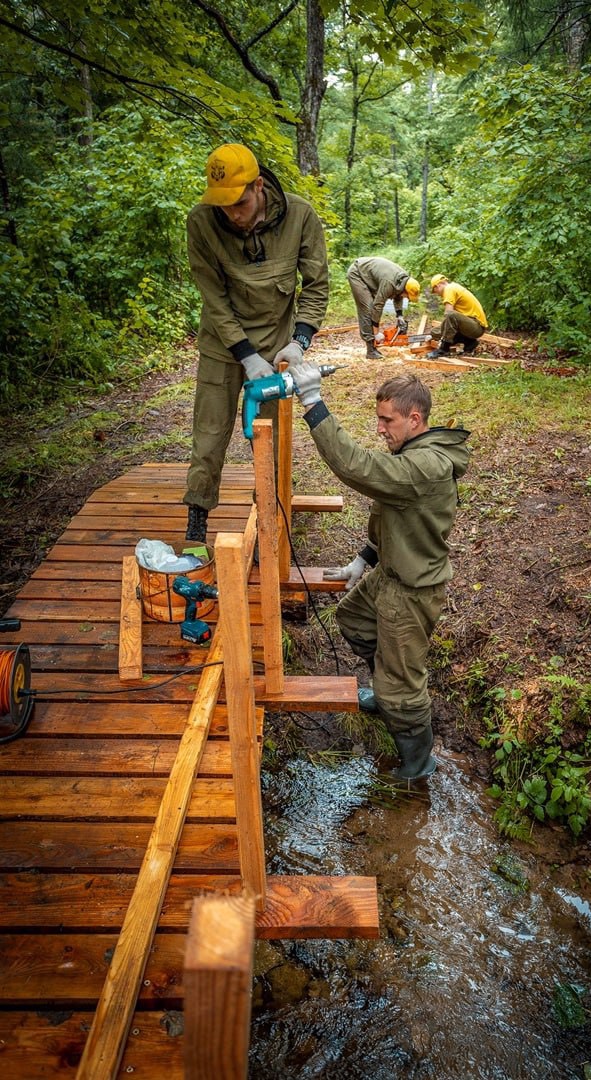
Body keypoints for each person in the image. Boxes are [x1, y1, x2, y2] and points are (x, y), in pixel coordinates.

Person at [288, 364, 471, 781]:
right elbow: (390, 514)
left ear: (415, 419)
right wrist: (363, 559)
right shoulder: (410, 455)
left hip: (412, 590)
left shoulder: (426, 466)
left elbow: (358, 468)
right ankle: (389, 691)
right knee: (353, 619)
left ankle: (417, 765)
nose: (380, 429)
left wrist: (314, 404)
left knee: (403, 687)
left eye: (387, 420)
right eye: (378, 419)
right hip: (389, 575)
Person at [183, 143, 329, 543]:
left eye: (240, 202)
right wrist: (244, 356)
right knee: (210, 434)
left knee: (269, 439)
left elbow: (317, 286)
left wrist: (299, 342)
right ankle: (197, 518)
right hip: (222, 344)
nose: (232, 213)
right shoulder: (201, 222)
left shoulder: (300, 215)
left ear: (259, 187)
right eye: (223, 205)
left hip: (277, 345)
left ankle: (270, 520)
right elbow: (213, 298)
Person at [346, 257, 421, 360]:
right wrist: (376, 332)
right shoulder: (389, 282)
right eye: (407, 296)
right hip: (358, 274)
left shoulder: (403, 280)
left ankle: (373, 344)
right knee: (368, 308)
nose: (407, 298)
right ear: (406, 290)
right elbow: (378, 306)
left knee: (371, 308)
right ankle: (371, 349)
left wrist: (399, 316)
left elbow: (398, 295)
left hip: (370, 277)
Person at [427, 274, 488, 358]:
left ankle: (443, 350)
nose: (437, 294)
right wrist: (435, 333)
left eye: (435, 291)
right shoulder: (454, 287)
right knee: (437, 331)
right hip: (473, 326)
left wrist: (442, 336)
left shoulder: (449, 289)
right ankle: (469, 342)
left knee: (450, 315)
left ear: (438, 286)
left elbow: (449, 314)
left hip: (476, 326)